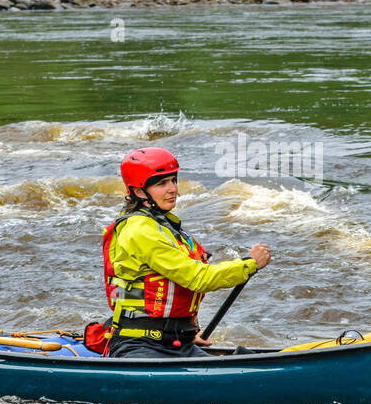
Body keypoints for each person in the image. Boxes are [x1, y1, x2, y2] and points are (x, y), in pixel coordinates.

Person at [102, 147, 270, 358]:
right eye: (161, 183)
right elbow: (198, 278)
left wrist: (184, 332)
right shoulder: (139, 231)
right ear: (138, 191)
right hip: (139, 345)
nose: (173, 189)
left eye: (173, 180)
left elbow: (169, 290)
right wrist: (250, 264)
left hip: (173, 341)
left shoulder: (167, 227)